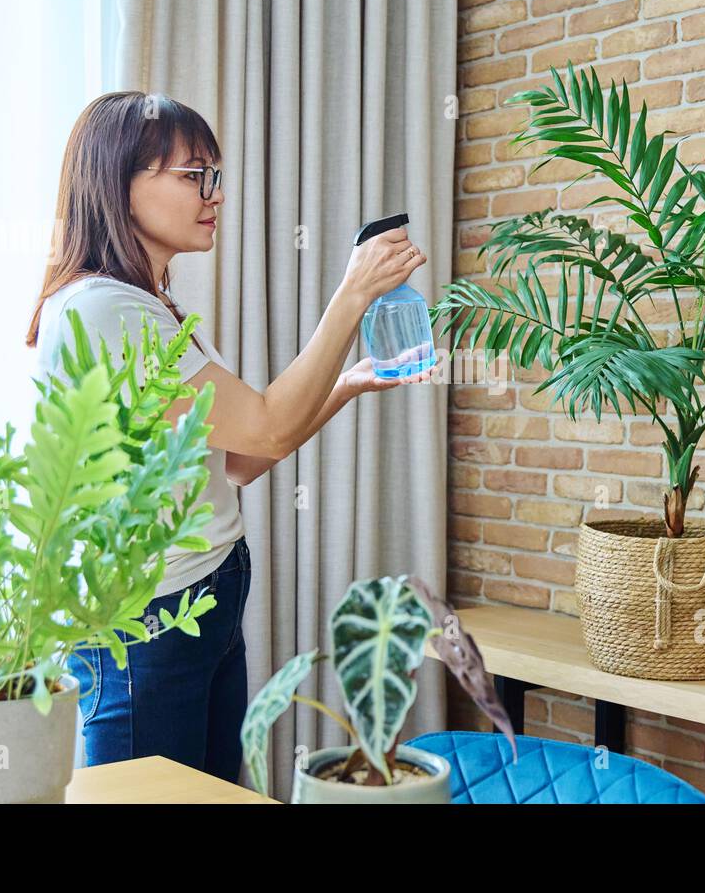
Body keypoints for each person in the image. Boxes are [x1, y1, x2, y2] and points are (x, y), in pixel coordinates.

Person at [25, 91, 429, 784]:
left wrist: (348, 382)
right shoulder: (104, 311)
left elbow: (243, 458)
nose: (214, 195)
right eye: (193, 176)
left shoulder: (151, 308)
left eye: (216, 176)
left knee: (206, 796)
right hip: (147, 626)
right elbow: (268, 422)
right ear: (118, 185)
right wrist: (352, 295)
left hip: (204, 595)